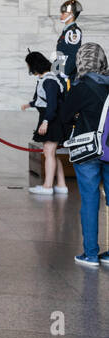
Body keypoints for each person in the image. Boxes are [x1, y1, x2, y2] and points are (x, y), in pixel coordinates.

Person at [57, 42, 109, 269]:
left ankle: (90, 254)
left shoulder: (81, 87)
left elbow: (65, 117)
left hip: (87, 150)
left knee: (89, 200)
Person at [22, 51, 68, 196]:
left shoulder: (49, 80)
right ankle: (61, 185)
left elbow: (52, 105)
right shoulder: (46, 79)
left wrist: (46, 122)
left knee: (49, 152)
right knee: (52, 153)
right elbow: (42, 100)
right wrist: (29, 104)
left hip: (52, 119)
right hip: (49, 118)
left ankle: (48, 186)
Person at [55, 0, 83, 81]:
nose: (61, 15)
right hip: (61, 70)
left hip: (67, 75)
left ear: (71, 14)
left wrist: (66, 71)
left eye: (64, 13)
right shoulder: (67, 30)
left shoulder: (73, 32)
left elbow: (74, 54)